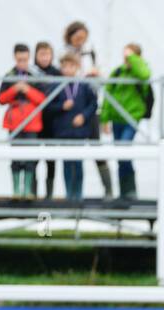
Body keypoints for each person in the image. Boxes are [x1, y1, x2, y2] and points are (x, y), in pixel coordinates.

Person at [99, 42, 151, 201]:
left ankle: (130, 191)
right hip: (117, 118)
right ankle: (124, 192)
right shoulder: (118, 72)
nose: (126, 58)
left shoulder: (140, 70)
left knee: (125, 149)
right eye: (125, 55)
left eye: (130, 55)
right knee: (120, 153)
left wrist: (134, 59)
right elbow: (108, 96)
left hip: (131, 118)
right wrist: (104, 119)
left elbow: (144, 75)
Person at [64, 21, 110, 197]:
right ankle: (73, 194)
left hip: (90, 107)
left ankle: (108, 189)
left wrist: (96, 74)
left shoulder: (91, 53)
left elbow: (102, 77)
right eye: (77, 38)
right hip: (71, 109)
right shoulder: (64, 54)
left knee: (96, 147)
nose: (80, 42)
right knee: (72, 153)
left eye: (83, 38)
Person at [43, 49, 96, 201]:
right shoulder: (56, 85)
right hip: (63, 131)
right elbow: (48, 106)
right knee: (67, 164)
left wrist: (83, 116)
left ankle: (78, 196)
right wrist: (62, 106)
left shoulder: (84, 85)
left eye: (71, 66)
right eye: (65, 66)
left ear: (77, 67)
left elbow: (93, 104)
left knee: (78, 164)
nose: (68, 70)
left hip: (79, 131)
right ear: (61, 68)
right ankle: (69, 197)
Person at [0, 44, 46, 200]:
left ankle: (27, 190)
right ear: (14, 58)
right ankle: (16, 191)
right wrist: (15, 89)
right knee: (16, 158)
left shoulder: (35, 76)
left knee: (29, 157)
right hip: (14, 124)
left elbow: (43, 99)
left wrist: (27, 90)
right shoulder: (9, 75)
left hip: (31, 124)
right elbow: (1, 99)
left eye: (25, 59)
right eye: (19, 60)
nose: (22, 63)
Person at [33, 42, 60, 199]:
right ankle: (33, 193)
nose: (44, 57)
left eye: (47, 54)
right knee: (33, 159)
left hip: (52, 123)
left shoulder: (57, 73)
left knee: (51, 159)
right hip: (34, 123)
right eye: (41, 54)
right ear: (36, 55)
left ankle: (49, 195)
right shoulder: (30, 73)